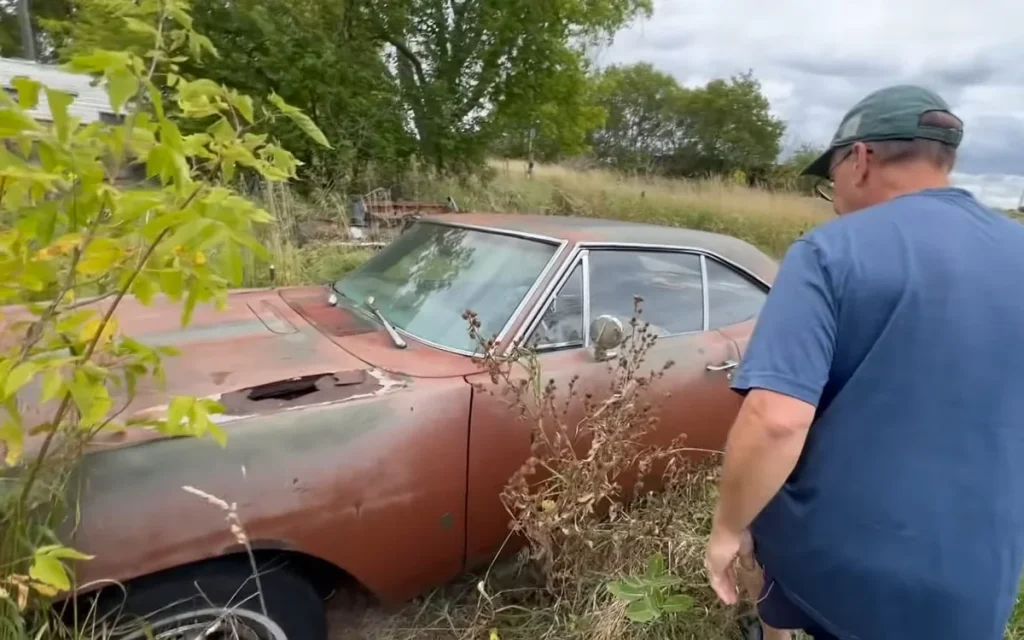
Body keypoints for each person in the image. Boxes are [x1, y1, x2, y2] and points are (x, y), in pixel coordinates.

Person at [703, 84, 1024, 640]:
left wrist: (727, 529)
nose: (838, 198)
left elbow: (777, 420)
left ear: (860, 158)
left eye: (831, 181)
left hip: (842, 575)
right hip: (980, 572)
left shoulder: (829, 253)